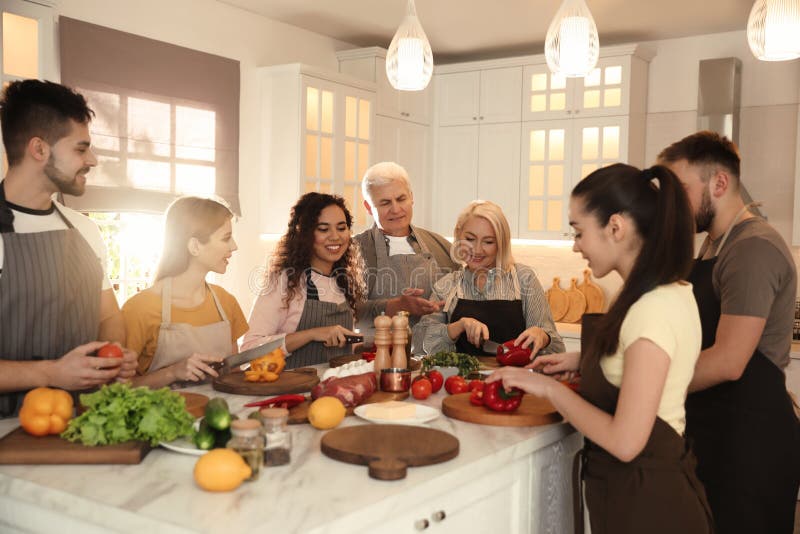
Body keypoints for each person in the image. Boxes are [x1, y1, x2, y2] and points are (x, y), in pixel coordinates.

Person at [488, 164, 713, 534]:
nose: (575, 245)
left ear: (615, 227)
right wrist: (586, 360)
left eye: (579, 232)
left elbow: (625, 442)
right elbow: (648, 363)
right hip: (646, 493)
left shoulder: (651, 308)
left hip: (650, 508)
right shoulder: (664, 291)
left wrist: (549, 389)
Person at [658, 131, 800, 534]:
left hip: (750, 444)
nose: (671, 204)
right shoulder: (713, 245)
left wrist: (645, 383)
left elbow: (728, 360)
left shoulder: (752, 247)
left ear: (719, 183)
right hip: (716, 431)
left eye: (680, 190)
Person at [0, 80, 137, 417]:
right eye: (80, 149)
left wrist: (113, 355)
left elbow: (109, 315)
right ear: (39, 149)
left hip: (83, 422)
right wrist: (51, 373)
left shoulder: (85, 229)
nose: (92, 160)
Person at [122, 197, 248, 388]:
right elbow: (116, 390)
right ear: (195, 246)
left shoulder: (225, 302)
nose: (234, 246)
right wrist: (172, 372)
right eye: (226, 238)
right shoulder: (139, 309)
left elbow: (233, 375)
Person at [413, 200, 565, 358]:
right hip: (462, 375)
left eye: (488, 242)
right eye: (470, 239)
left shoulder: (524, 279)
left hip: (514, 374)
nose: (477, 250)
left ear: (501, 244)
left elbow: (557, 349)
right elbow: (419, 345)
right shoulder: (447, 286)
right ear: (458, 236)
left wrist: (543, 337)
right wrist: (458, 326)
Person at [242, 192, 366, 368]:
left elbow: (341, 346)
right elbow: (249, 350)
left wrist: (369, 343)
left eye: (341, 228)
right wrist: (311, 334)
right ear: (305, 234)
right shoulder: (285, 281)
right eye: (323, 229)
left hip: (334, 382)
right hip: (290, 384)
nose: (335, 236)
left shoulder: (344, 281)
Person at [354, 162, 458, 352]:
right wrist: (395, 306)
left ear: (411, 197)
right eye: (385, 203)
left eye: (401, 199)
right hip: (376, 357)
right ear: (368, 207)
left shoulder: (442, 246)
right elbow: (346, 313)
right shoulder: (354, 250)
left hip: (434, 358)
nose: (396, 209)